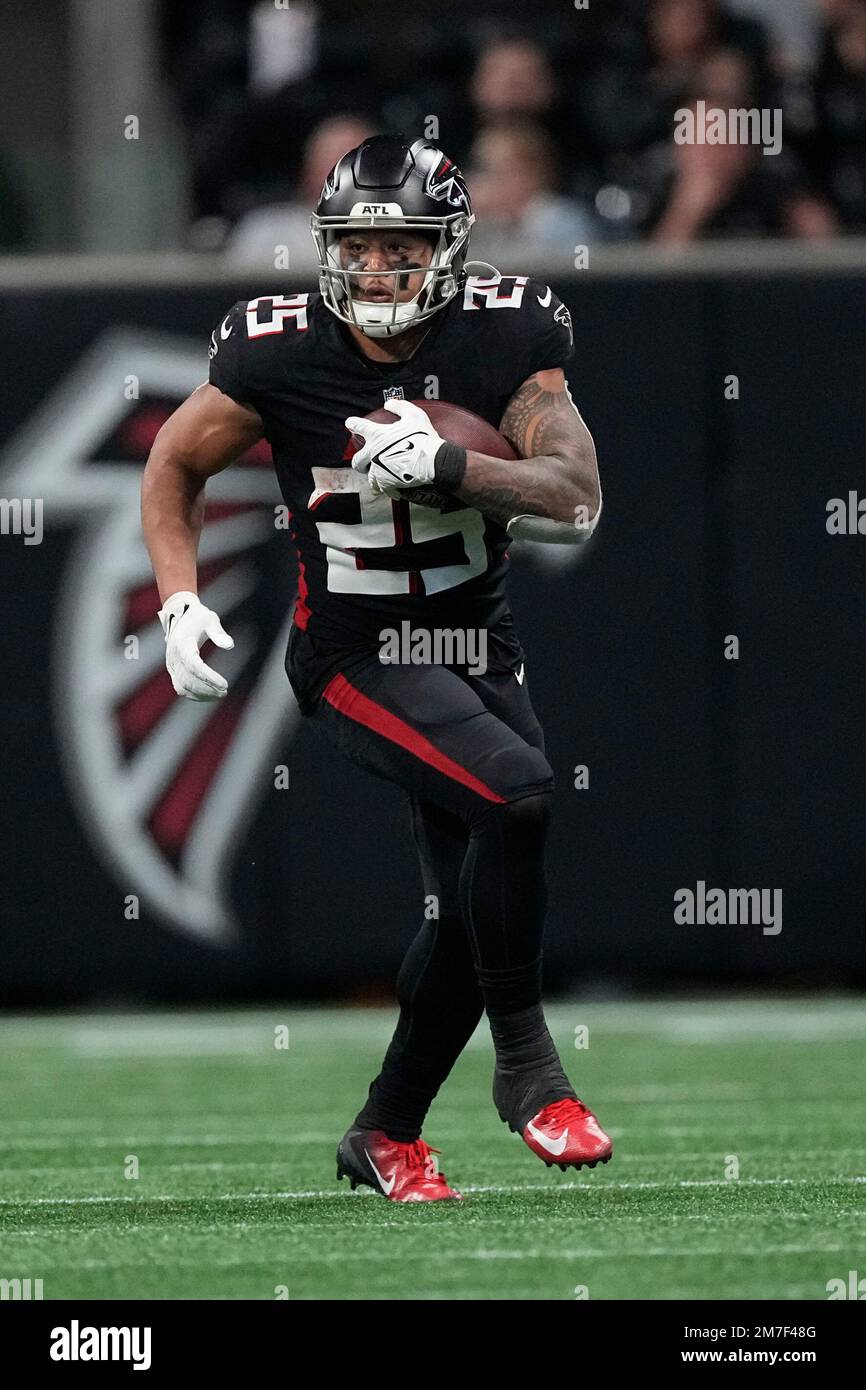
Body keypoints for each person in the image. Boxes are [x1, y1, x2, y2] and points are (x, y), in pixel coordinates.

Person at [141, 134, 608, 1202]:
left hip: (474, 645)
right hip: (354, 653)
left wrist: (454, 465)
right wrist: (178, 599)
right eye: (360, 247)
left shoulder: (504, 332)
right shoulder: (277, 348)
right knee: (519, 797)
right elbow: (172, 460)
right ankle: (530, 1072)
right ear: (326, 250)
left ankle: (384, 1133)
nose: (379, 270)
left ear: (447, 251)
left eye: (404, 249)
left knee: (461, 910)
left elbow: (576, 495)